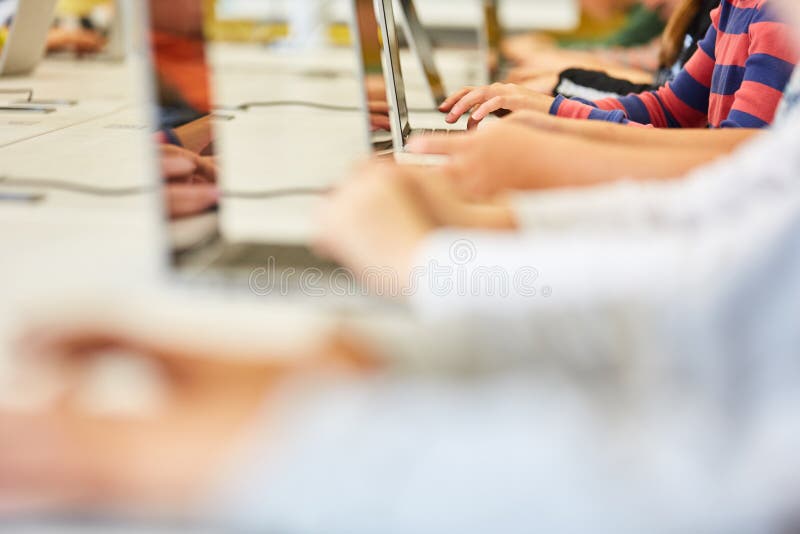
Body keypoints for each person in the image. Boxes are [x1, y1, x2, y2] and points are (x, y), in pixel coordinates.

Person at [443, 0, 797, 129]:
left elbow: (738, 153)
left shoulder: (777, 15)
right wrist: (554, 109)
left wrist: (562, 106)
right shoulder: (732, 7)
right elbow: (671, 108)